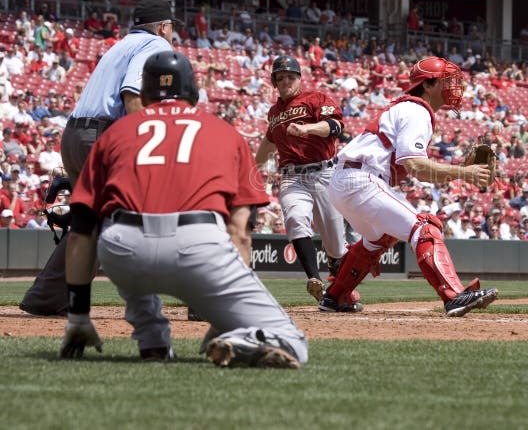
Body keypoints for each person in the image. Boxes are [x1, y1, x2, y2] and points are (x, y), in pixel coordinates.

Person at [58, 51, 307, 368]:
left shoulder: (115, 134)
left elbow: (81, 233)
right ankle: (237, 338)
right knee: (293, 342)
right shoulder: (224, 132)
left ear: (144, 94)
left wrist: (78, 316)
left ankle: (152, 341)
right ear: (193, 91)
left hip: (123, 247)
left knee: (126, 250)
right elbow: (239, 233)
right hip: (198, 244)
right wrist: (223, 318)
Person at [20, 0, 179, 318]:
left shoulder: (121, 45)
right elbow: (132, 92)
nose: (173, 35)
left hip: (75, 135)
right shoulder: (155, 45)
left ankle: (46, 298)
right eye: (172, 28)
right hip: (102, 136)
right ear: (163, 27)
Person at [321, 56, 498, 316]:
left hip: (345, 182)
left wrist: (460, 171)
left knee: (378, 238)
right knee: (424, 227)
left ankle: (335, 296)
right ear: (427, 85)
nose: (453, 87)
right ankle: (453, 295)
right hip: (361, 180)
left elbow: (422, 173)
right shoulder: (417, 110)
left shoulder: (407, 109)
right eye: (446, 81)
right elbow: (417, 166)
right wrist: (463, 172)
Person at [255, 55, 352, 304]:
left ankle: (340, 290)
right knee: (295, 218)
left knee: (336, 246)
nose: (285, 81)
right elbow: (268, 143)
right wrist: (252, 166)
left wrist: (307, 128)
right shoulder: (274, 112)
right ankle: (314, 279)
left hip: (324, 173)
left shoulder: (315, 98)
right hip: (292, 177)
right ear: (274, 83)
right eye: (280, 77)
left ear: (299, 78)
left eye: (290, 76)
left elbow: (334, 126)